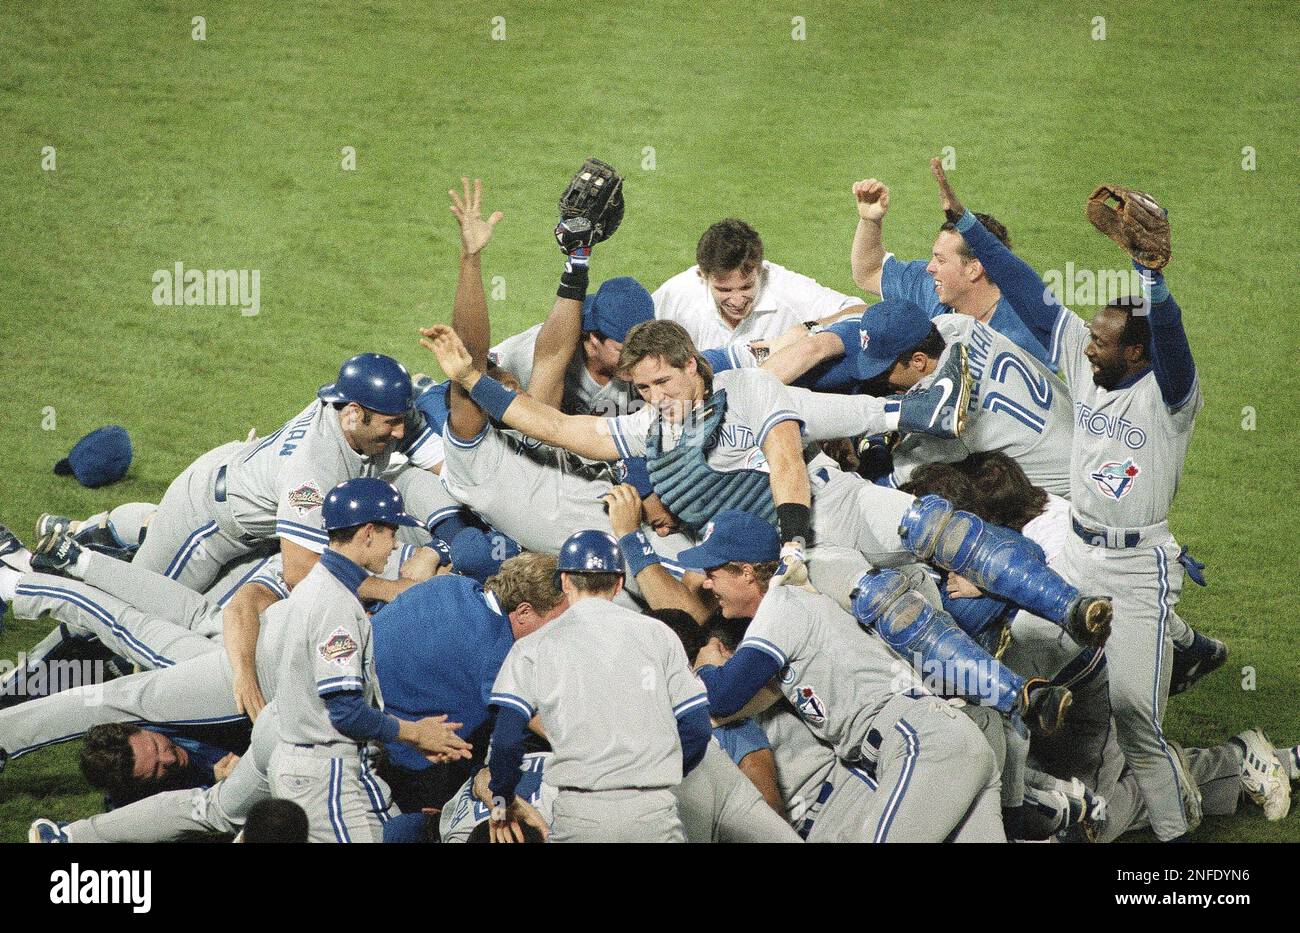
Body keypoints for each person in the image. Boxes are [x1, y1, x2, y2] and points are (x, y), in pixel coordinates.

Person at [929, 160, 1205, 840]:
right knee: (1016, 645)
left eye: (1104, 339)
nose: (1087, 342)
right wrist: (966, 223)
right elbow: (1030, 293)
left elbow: (1171, 341)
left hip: (1141, 568)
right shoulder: (1087, 364)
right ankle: (1026, 799)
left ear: (1135, 351)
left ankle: (1179, 830)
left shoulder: (1170, 397)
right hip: (1076, 549)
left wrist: (1151, 277)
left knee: (1138, 712)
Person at [679, 510, 1006, 842]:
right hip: (937, 736)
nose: (707, 583)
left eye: (713, 573)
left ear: (747, 573)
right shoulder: (796, 610)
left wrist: (705, 665)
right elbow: (734, 707)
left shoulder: (780, 606)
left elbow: (722, 697)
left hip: (918, 741)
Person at [116, 351, 420, 596]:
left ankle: (119, 534)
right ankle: (79, 577)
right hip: (206, 520)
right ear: (354, 412)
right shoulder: (312, 469)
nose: (400, 431)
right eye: (391, 422)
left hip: (252, 498)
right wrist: (388, 589)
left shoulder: (354, 418)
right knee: (141, 605)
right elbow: (300, 574)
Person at [269, 477, 472, 843]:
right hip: (324, 772)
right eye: (391, 532)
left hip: (333, 763)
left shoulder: (323, 586)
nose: (395, 545)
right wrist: (414, 732)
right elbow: (345, 712)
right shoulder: (334, 605)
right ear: (367, 533)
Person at [484, 530, 712, 843]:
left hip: (581, 814)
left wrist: (500, 800)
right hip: (652, 811)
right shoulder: (659, 635)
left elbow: (507, 740)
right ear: (619, 584)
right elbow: (697, 729)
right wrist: (655, 775)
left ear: (564, 582)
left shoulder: (532, 647)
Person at [848, 175, 1054, 367]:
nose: (930, 267)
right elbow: (870, 272)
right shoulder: (930, 287)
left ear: (974, 269)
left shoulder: (1022, 338)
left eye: (940, 259)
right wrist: (870, 220)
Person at [653, 218, 866, 350]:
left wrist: (809, 328)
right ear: (702, 275)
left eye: (746, 287)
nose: (736, 301)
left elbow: (861, 311)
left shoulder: (786, 289)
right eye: (723, 290)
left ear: (760, 271)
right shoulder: (678, 293)